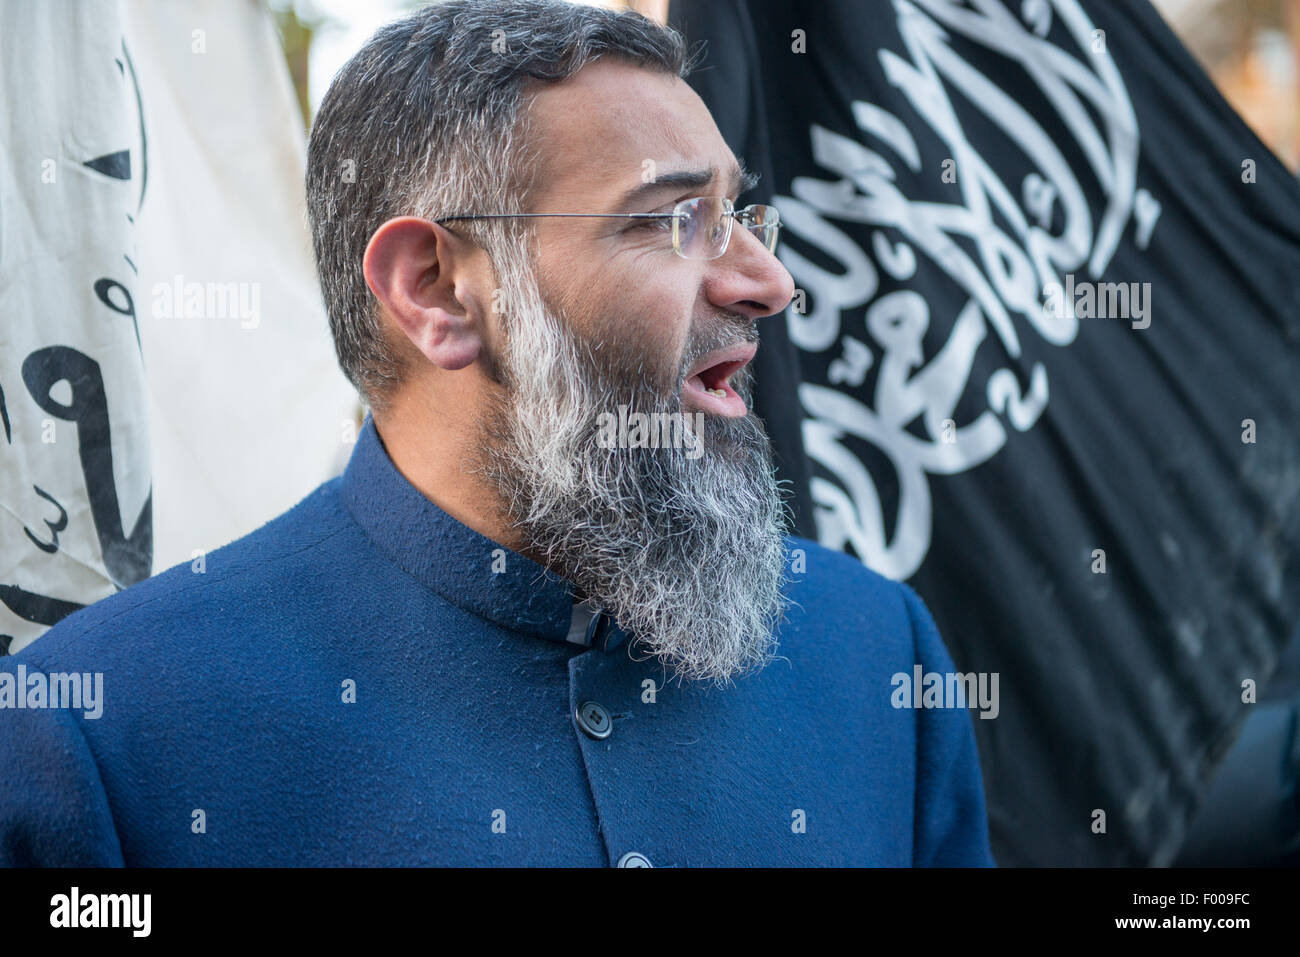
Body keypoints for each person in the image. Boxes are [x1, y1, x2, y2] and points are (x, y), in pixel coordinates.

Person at [0, 0, 994, 867]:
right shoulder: (94, 728)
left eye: (741, 216)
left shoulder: (873, 651)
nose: (768, 282)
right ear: (436, 289)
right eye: (670, 221)